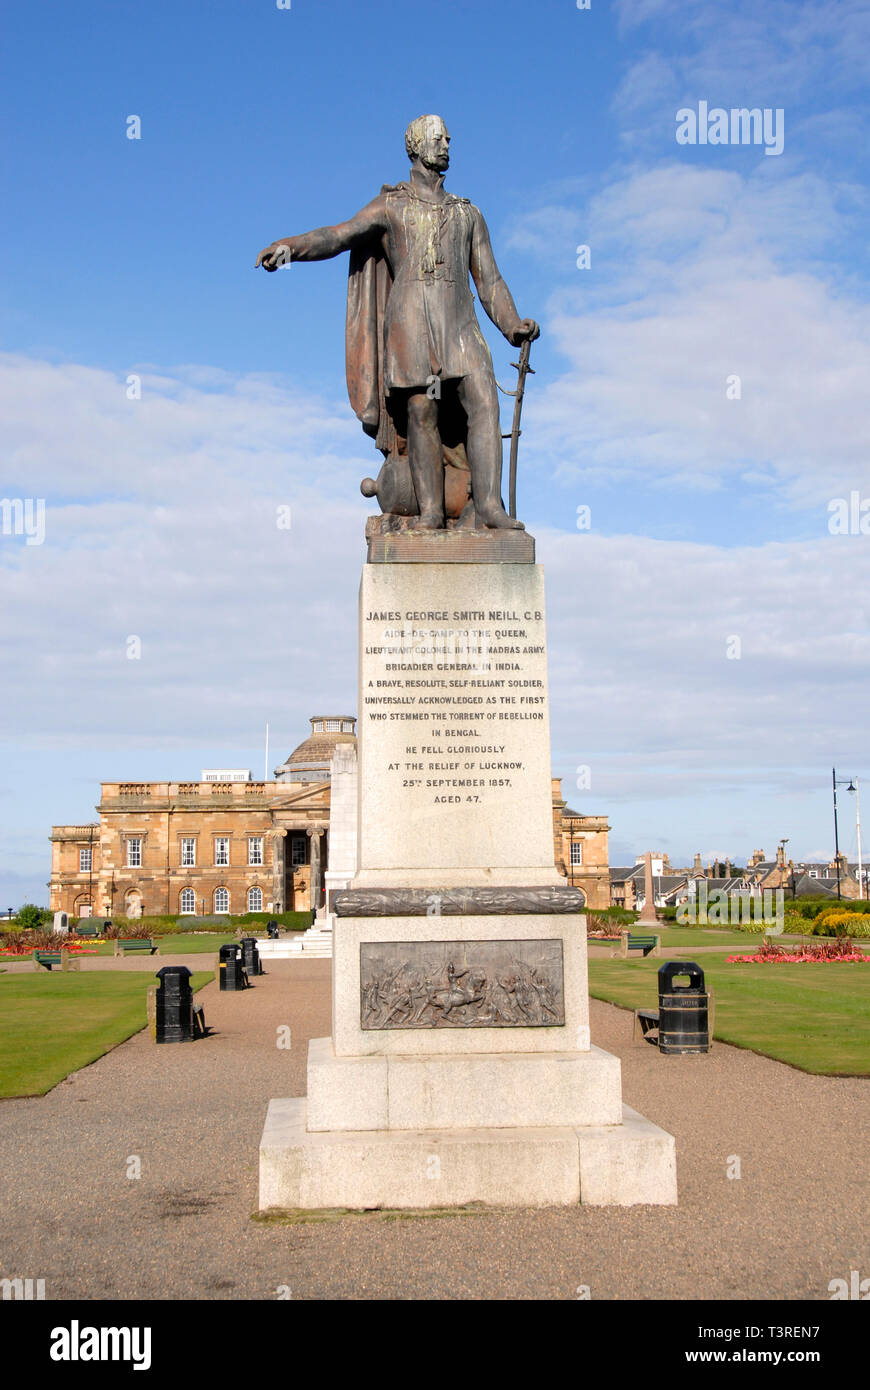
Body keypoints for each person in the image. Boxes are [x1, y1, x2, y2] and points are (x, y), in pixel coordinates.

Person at [257, 115, 539, 530]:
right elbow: (339, 235)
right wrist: (290, 248)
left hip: (460, 325)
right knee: (421, 411)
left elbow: (490, 281)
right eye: (437, 138)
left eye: (448, 138)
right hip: (411, 324)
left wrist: (512, 324)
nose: (445, 144)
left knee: (484, 400)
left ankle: (490, 507)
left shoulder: (468, 214)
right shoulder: (392, 205)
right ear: (415, 146)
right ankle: (430, 513)